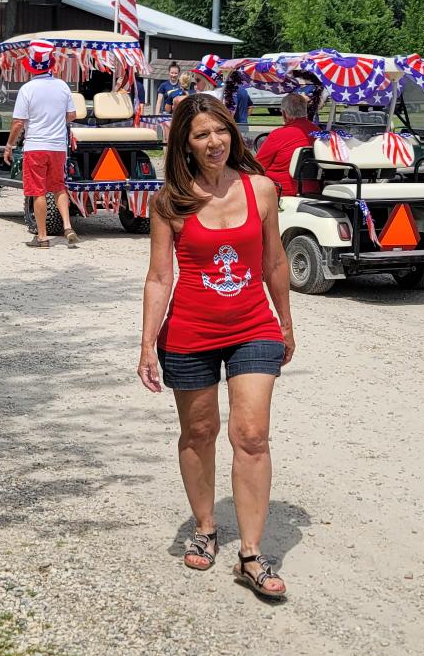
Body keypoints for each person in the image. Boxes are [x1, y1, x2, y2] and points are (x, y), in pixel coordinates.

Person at [138, 94, 295, 603]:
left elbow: (274, 263)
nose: (214, 142)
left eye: (221, 131)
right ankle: (205, 526)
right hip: (189, 330)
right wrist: (146, 343)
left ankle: (251, 553)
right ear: (185, 142)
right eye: (202, 134)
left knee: (251, 434)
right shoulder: (171, 202)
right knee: (199, 430)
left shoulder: (262, 189)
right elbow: (161, 276)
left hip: (253, 324)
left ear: (234, 133)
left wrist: (285, 323)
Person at [5, 40, 80, 249]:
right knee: (58, 187)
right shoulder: (63, 86)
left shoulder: (27, 89)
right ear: (51, 65)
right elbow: (72, 114)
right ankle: (67, 226)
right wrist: (56, 122)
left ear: (32, 67)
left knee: (37, 191)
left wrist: (10, 146)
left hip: (36, 146)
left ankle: (42, 236)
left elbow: (18, 122)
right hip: (57, 147)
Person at [255, 92, 323, 197]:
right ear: (305, 111)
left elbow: (257, 167)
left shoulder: (278, 135)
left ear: (284, 113)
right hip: (312, 190)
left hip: (281, 192)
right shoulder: (319, 133)